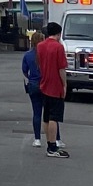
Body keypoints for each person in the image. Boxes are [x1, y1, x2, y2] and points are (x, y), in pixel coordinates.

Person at [35, 21, 69, 157]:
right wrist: (64, 84)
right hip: (55, 85)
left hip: (44, 83)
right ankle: (53, 146)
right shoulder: (58, 47)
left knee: (46, 116)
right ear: (59, 33)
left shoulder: (40, 46)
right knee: (54, 117)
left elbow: (38, 63)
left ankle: (49, 143)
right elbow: (61, 68)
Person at [22, 30, 45, 145]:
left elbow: (24, 71)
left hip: (33, 84)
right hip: (46, 84)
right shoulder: (46, 54)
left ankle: (37, 139)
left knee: (36, 113)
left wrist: (31, 77)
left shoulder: (28, 55)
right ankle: (56, 138)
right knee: (50, 113)